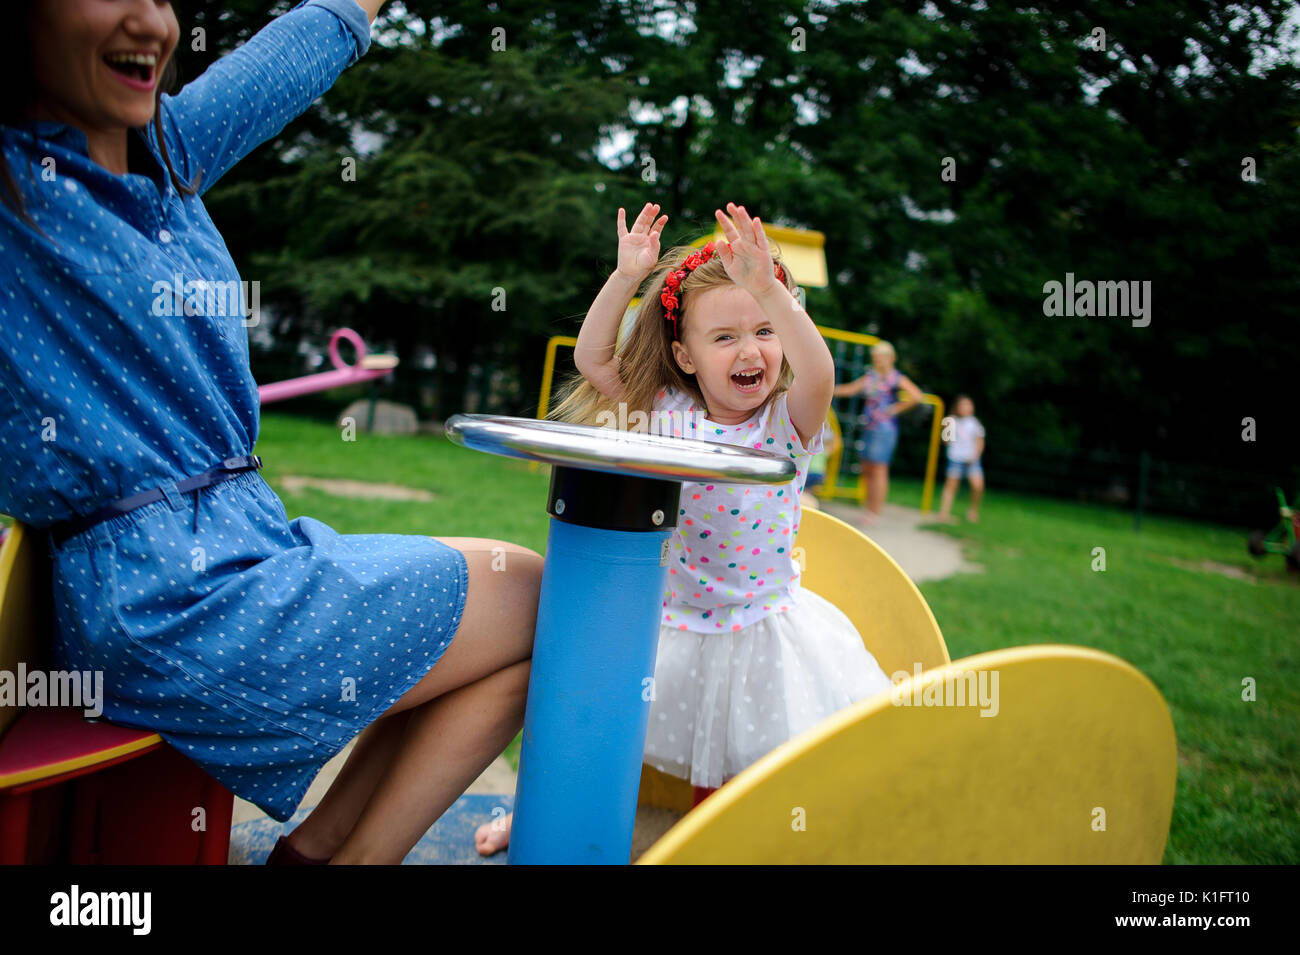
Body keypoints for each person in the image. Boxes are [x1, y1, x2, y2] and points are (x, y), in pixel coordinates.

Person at [0, 0, 543, 866]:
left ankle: (318, 857)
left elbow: (306, 43)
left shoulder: (165, 152)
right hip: (165, 604)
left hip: (247, 553)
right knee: (534, 593)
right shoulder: (15, 195)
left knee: (523, 644)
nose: (151, 20)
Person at [474, 201, 894, 855]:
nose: (750, 349)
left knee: (741, 761)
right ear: (685, 355)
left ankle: (719, 840)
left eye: (763, 330)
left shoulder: (787, 420)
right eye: (724, 337)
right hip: (669, 619)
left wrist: (771, 292)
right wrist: (625, 279)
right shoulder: (665, 412)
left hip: (757, 628)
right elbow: (593, 359)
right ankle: (534, 814)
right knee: (589, 715)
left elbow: (821, 370)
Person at [832, 341, 924, 521]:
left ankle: (875, 512)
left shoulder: (895, 378)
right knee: (867, 467)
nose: (876, 361)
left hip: (884, 430)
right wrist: (828, 389)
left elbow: (916, 395)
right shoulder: (871, 377)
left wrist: (895, 409)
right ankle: (868, 508)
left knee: (879, 469)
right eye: (875, 358)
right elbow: (851, 389)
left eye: (879, 357)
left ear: (890, 358)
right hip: (869, 426)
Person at [937, 395, 986, 523]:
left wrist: (975, 456)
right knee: (951, 486)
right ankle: (944, 513)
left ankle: (973, 511)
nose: (966, 408)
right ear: (957, 407)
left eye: (968, 405)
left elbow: (980, 442)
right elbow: (945, 442)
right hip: (955, 458)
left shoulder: (974, 423)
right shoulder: (951, 421)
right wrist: (947, 430)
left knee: (978, 486)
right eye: (963, 405)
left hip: (971, 460)